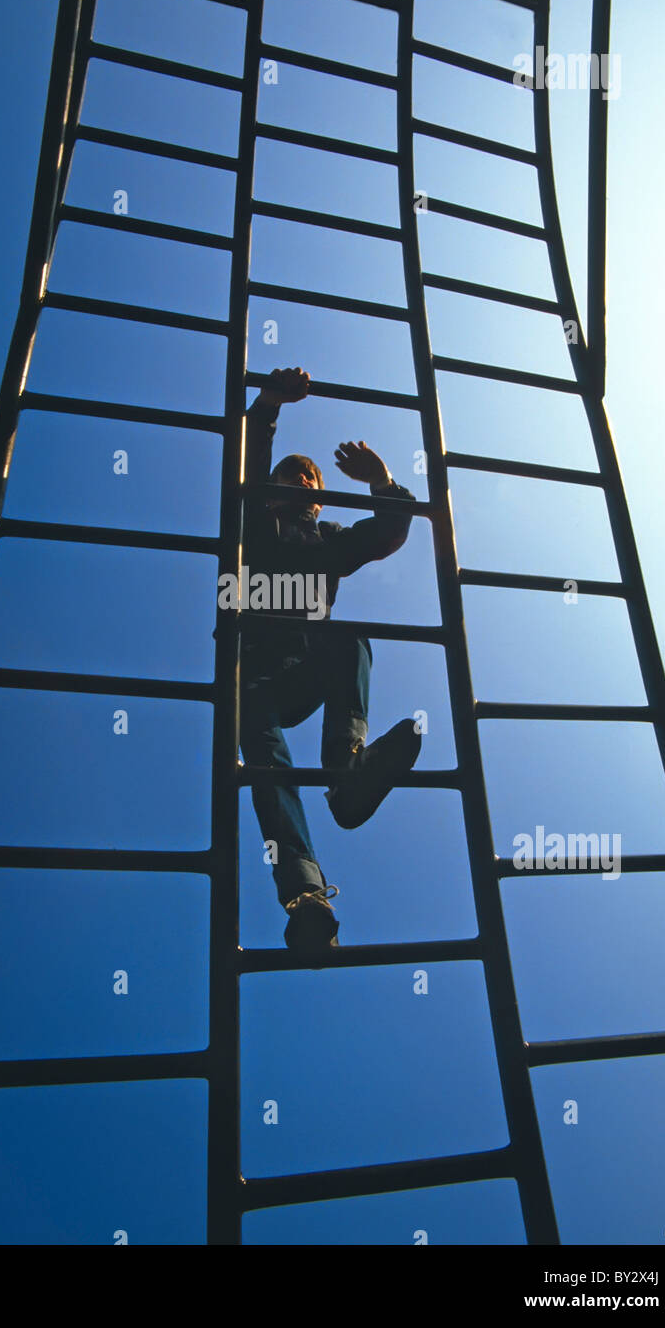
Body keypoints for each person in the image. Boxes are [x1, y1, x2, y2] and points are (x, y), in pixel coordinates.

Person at [238, 365, 422, 955]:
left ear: (320, 503)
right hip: (252, 677)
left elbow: (388, 532)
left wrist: (381, 479)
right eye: (292, 477)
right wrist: (267, 403)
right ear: (273, 486)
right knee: (266, 757)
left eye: (312, 482)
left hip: (300, 670)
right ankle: (305, 893)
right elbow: (244, 462)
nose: (304, 486)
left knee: (349, 638)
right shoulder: (251, 523)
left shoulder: (325, 541)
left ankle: (346, 775)